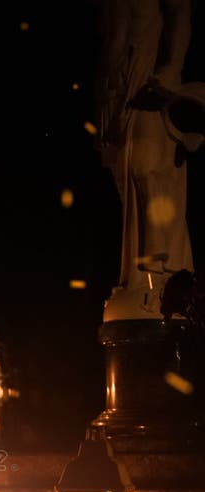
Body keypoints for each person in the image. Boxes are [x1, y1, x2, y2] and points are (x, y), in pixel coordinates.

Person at [95, 0, 193, 317]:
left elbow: (180, 13)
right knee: (128, 184)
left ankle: (162, 276)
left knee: (148, 171)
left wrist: (170, 69)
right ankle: (140, 277)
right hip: (121, 90)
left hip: (149, 85)